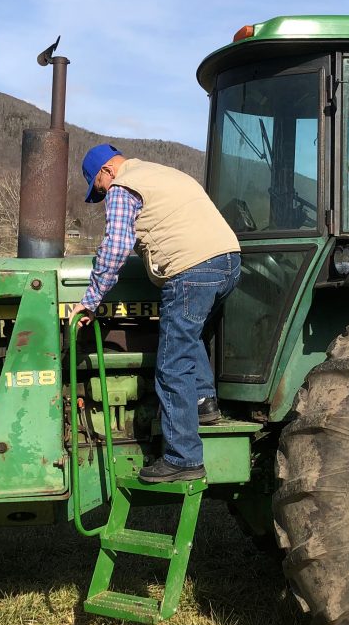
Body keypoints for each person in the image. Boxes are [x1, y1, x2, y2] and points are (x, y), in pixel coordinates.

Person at [69, 143, 241, 483]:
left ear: (106, 172)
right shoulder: (164, 174)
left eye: (99, 190)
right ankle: (204, 403)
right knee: (192, 337)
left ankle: (184, 459)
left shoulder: (123, 186)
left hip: (191, 270)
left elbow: (116, 246)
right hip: (229, 262)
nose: (104, 196)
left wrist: (91, 299)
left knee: (172, 363)